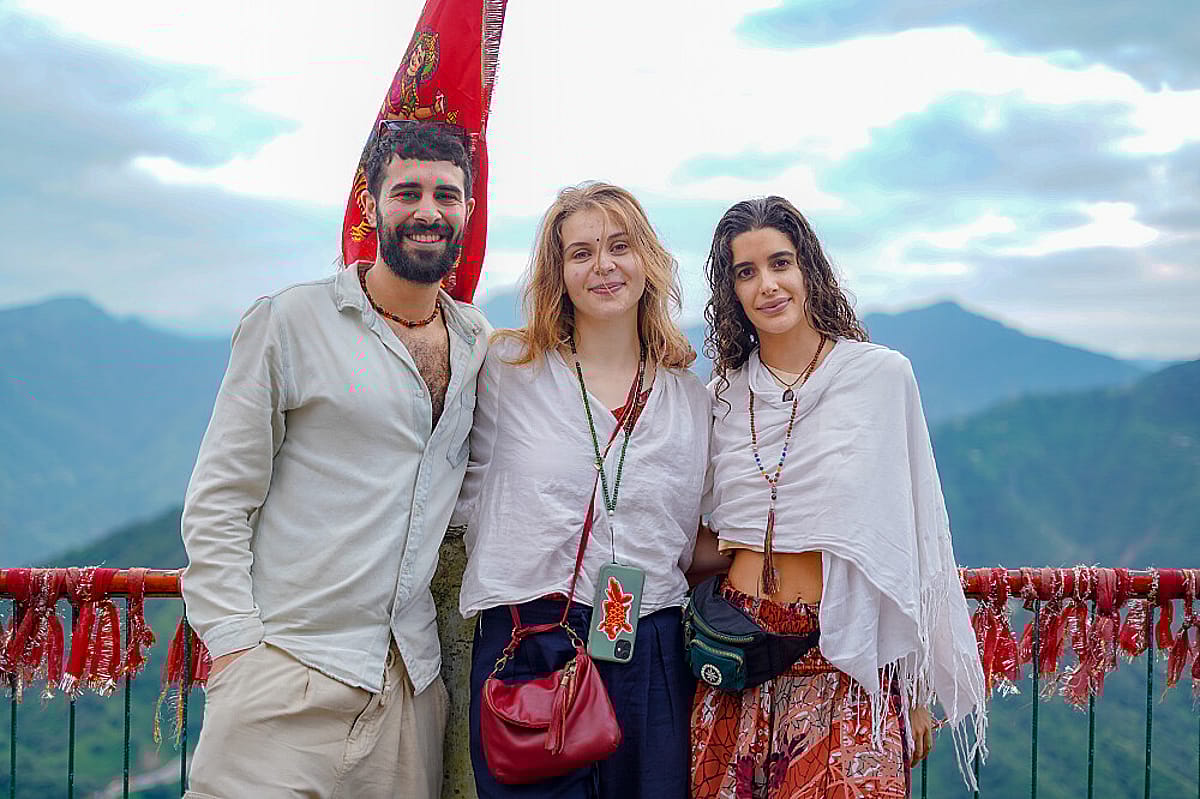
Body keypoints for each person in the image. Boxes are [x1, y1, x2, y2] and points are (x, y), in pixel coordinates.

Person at [180, 121, 490, 799]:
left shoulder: (477, 343)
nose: (428, 211)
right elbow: (221, 497)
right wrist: (234, 647)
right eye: (406, 192)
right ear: (371, 205)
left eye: (446, 194)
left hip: (409, 691)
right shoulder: (290, 321)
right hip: (286, 671)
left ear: (468, 210)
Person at [691, 196, 987, 798]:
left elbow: (913, 536)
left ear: (808, 269)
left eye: (780, 263)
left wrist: (916, 688)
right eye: (746, 272)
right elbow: (687, 522)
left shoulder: (878, 377)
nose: (767, 285)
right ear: (731, 291)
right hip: (737, 654)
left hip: (845, 658)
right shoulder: (721, 395)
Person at [452, 182, 714, 798]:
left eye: (620, 246)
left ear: (648, 260)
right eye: (581, 252)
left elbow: (705, 528)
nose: (603, 266)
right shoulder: (507, 369)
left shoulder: (690, 399)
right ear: (558, 273)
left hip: (650, 642)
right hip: (530, 639)